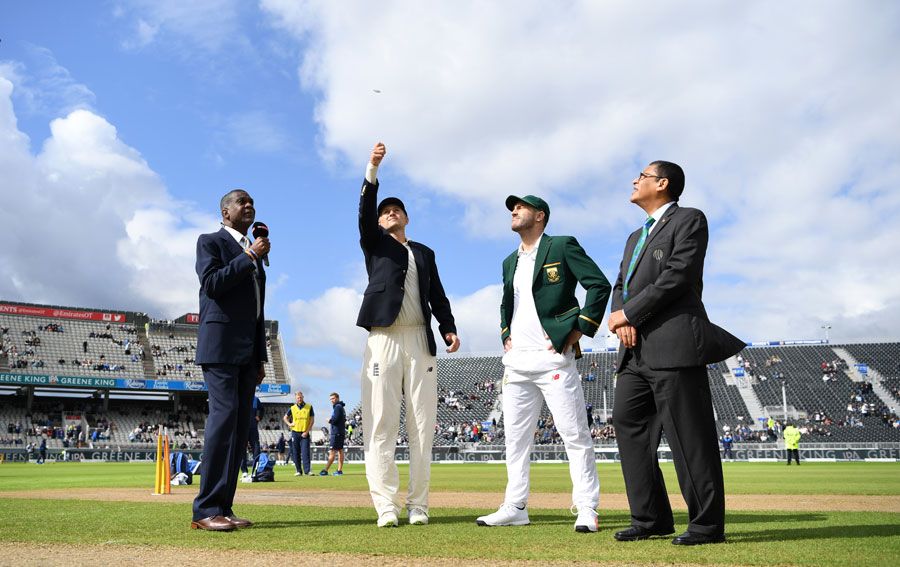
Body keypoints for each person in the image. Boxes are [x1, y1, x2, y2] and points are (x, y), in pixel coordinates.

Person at [608, 161, 743, 546]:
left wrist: (630, 313)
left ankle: (706, 526)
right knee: (628, 423)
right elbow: (621, 284)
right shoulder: (635, 236)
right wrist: (622, 318)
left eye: (642, 176)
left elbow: (678, 276)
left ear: (662, 183)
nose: (635, 180)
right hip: (634, 350)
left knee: (690, 437)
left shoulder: (689, 220)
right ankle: (650, 518)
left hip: (674, 344)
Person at [476, 195, 610, 533]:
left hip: (553, 358)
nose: (514, 210)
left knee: (574, 434)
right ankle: (515, 506)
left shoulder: (561, 246)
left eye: (521, 206)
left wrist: (580, 328)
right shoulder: (509, 261)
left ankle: (587, 507)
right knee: (515, 439)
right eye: (512, 207)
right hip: (516, 362)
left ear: (540, 216)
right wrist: (505, 332)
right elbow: (507, 303)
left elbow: (599, 285)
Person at [356, 142, 460, 528]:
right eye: (385, 211)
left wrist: (448, 327)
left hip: (419, 338)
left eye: (396, 209)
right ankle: (386, 505)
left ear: (407, 217)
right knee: (381, 423)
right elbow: (365, 213)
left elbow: (437, 295)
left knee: (421, 424)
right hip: (384, 337)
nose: (390, 213)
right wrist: (372, 171)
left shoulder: (425, 253)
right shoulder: (374, 243)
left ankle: (419, 504)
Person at [190, 188, 269, 532]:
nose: (249, 205)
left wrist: (260, 356)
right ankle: (205, 509)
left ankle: (224, 506)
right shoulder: (211, 242)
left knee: (239, 429)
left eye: (252, 202)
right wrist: (248, 255)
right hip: (220, 347)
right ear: (225, 212)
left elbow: (257, 310)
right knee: (223, 423)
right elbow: (212, 283)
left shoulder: (254, 253)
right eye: (242, 201)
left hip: (247, 352)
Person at [283, 391, 314, 476]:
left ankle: (307, 471)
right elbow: (285, 417)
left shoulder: (309, 407)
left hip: (305, 433)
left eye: (300, 397)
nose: (299, 399)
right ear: (296, 398)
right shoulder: (292, 408)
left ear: (303, 397)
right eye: (297, 398)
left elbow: (312, 420)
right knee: (296, 452)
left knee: (305, 452)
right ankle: (298, 471)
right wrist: (290, 424)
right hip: (295, 433)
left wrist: (307, 431)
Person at [320, 392, 347, 476]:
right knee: (340, 451)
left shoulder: (337, 407)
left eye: (333, 398)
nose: (332, 400)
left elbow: (335, 420)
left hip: (336, 433)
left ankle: (325, 470)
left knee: (332, 451)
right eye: (331, 399)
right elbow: (343, 420)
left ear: (337, 398)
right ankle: (339, 470)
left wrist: (329, 420)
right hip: (341, 431)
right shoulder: (341, 407)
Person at [240, 395, 263, 480]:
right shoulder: (239, 397)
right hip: (242, 428)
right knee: (242, 449)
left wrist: (259, 417)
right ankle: (244, 471)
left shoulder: (255, 399)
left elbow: (262, 409)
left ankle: (256, 469)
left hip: (253, 428)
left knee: (256, 448)